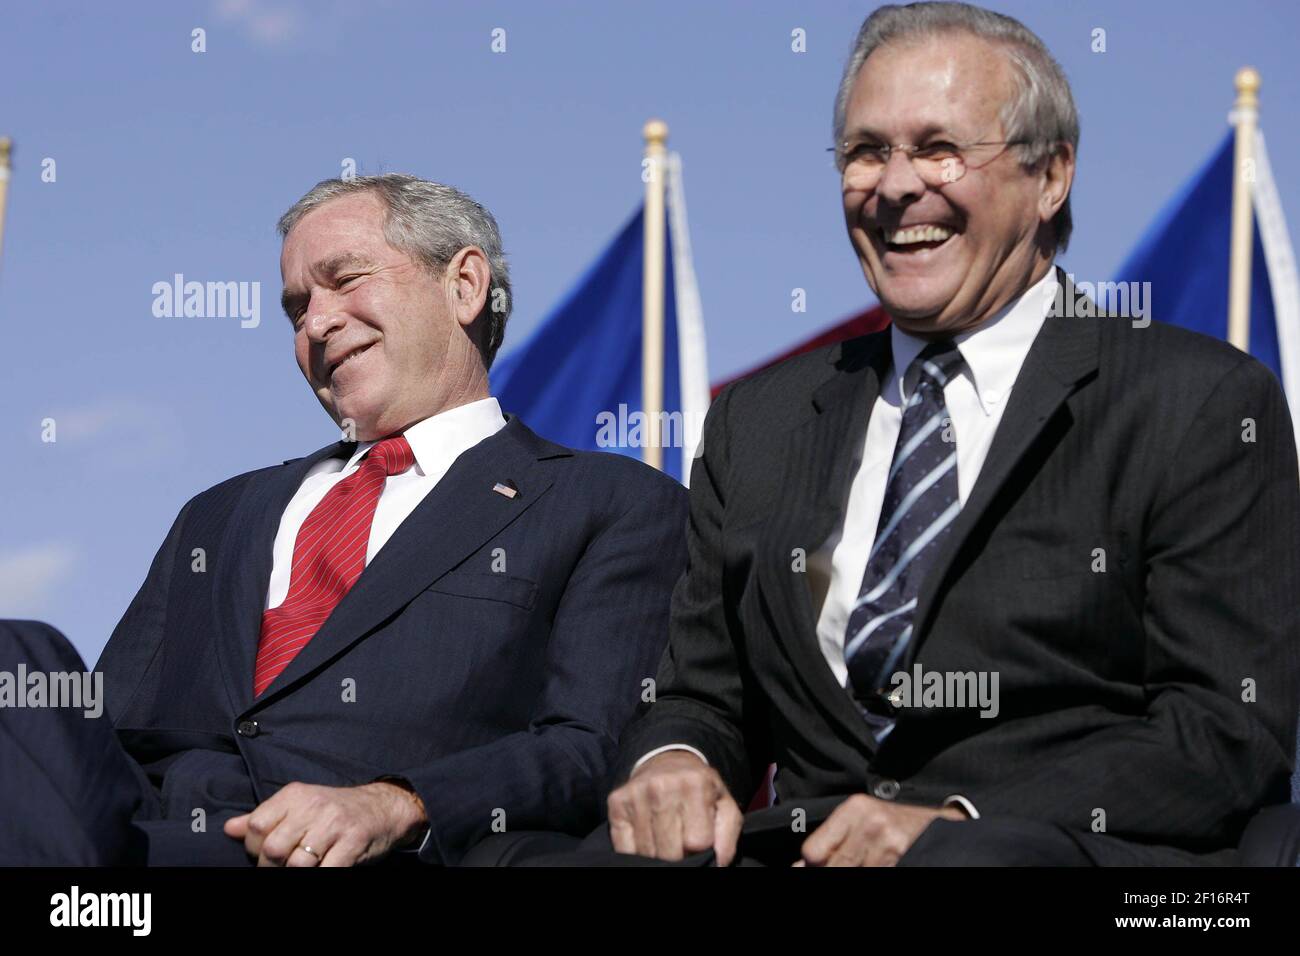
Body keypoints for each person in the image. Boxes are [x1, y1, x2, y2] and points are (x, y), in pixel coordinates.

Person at [595, 1, 1299, 866]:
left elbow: (1227, 727)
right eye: (866, 152)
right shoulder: (756, 421)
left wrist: (965, 821)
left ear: (1051, 177)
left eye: (939, 149)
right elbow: (700, 695)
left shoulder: (1197, 401)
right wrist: (678, 759)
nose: (895, 186)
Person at [0, 173, 687, 866]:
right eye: (297, 308)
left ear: (466, 286)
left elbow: (589, 746)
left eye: (345, 280)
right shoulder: (216, 517)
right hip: (148, 849)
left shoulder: (611, 502)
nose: (317, 324)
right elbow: (107, 736)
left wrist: (397, 803)